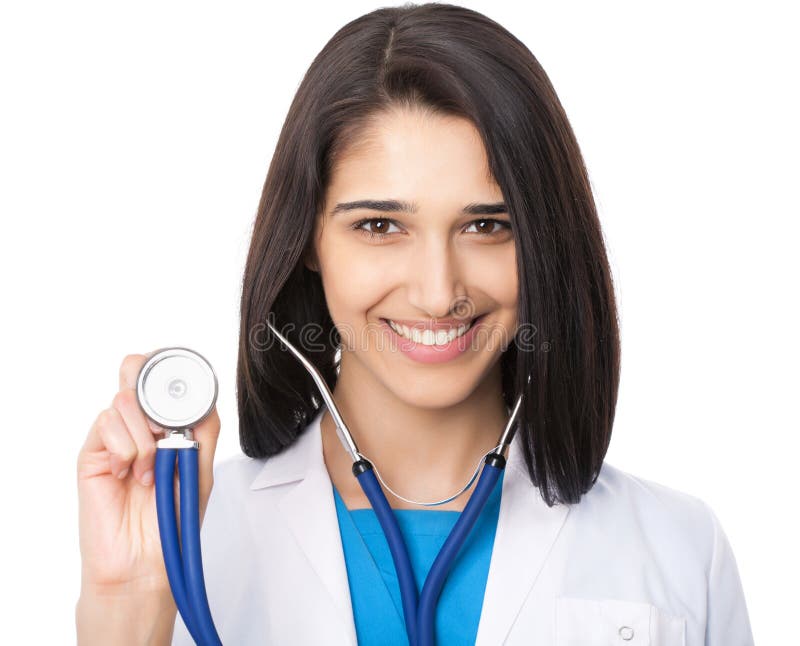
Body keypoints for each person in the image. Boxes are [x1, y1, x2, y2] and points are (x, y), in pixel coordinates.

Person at [75, 3, 755, 645]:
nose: (437, 293)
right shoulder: (191, 544)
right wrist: (129, 606)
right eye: (379, 225)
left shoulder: (674, 547)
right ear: (308, 241)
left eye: (487, 225)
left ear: (544, 240)